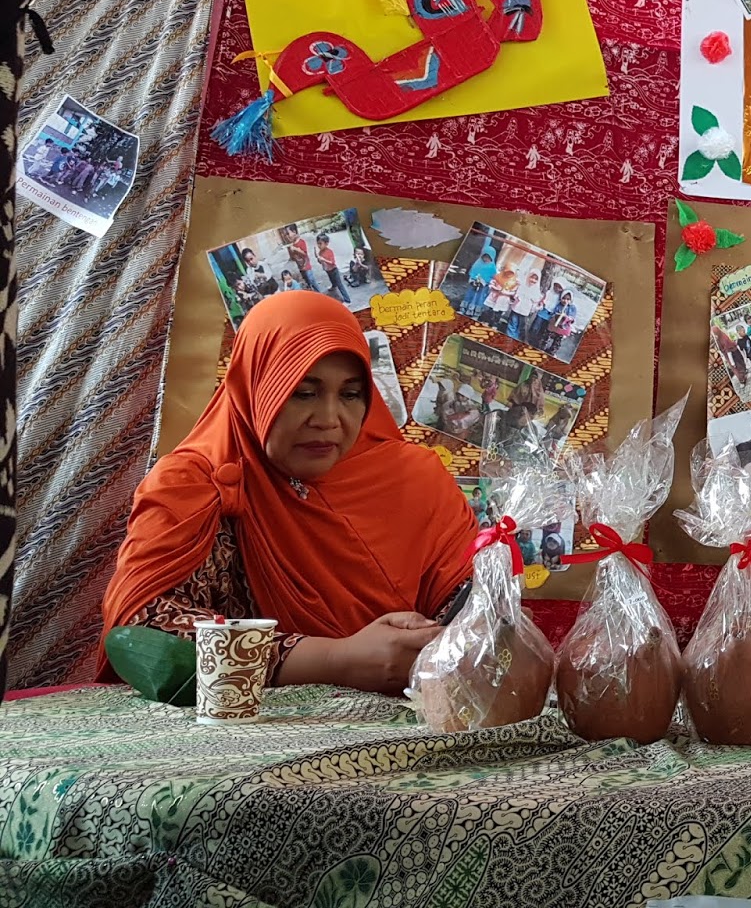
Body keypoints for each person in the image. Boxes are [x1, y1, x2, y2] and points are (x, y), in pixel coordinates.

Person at [100, 293, 479, 694]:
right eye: (303, 393)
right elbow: (141, 634)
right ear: (256, 386)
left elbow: (473, 610)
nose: (329, 419)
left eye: (350, 394)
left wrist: (444, 640)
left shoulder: (414, 481)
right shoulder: (195, 485)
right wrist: (335, 660)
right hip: (240, 734)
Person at [463, 242, 499, 317]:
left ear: (492, 258)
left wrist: (485, 281)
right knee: (470, 295)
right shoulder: (478, 263)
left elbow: (492, 277)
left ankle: (476, 312)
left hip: (483, 286)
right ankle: (464, 308)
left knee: (479, 298)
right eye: (484, 257)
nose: (486, 259)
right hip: (474, 283)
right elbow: (473, 271)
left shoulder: (492, 267)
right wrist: (473, 279)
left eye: (488, 258)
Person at [315, 233, 351, 305]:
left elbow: (332, 262)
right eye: (318, 244)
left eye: (320, 244)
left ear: (326, 243)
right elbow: (320, 262)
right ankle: (333, 286)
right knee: (331, 279)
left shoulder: (329, 251)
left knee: (340, 285)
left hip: (334, 270)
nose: (318, 246)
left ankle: (347, 300)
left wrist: (323, 259)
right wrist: (319, 259)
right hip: (327, 269)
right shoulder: (320, 252)